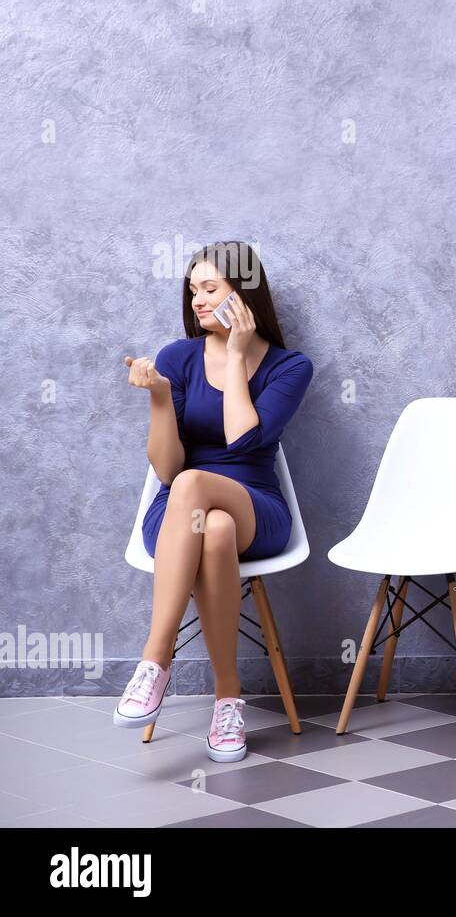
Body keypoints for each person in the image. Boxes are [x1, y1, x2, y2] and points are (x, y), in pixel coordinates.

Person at [115, 241, 313, 762]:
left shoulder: (291, 367)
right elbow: (166, 469)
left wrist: (237, 355)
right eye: (193, 290)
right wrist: (160, 395)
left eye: (211, 289)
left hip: (257, 507)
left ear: (244, 296)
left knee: (199, 490)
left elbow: (244, 441)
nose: (198, 301)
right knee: (211, 524)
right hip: (183, 515)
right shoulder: (178, 357)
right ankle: (229, 702)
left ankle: (154, 660)